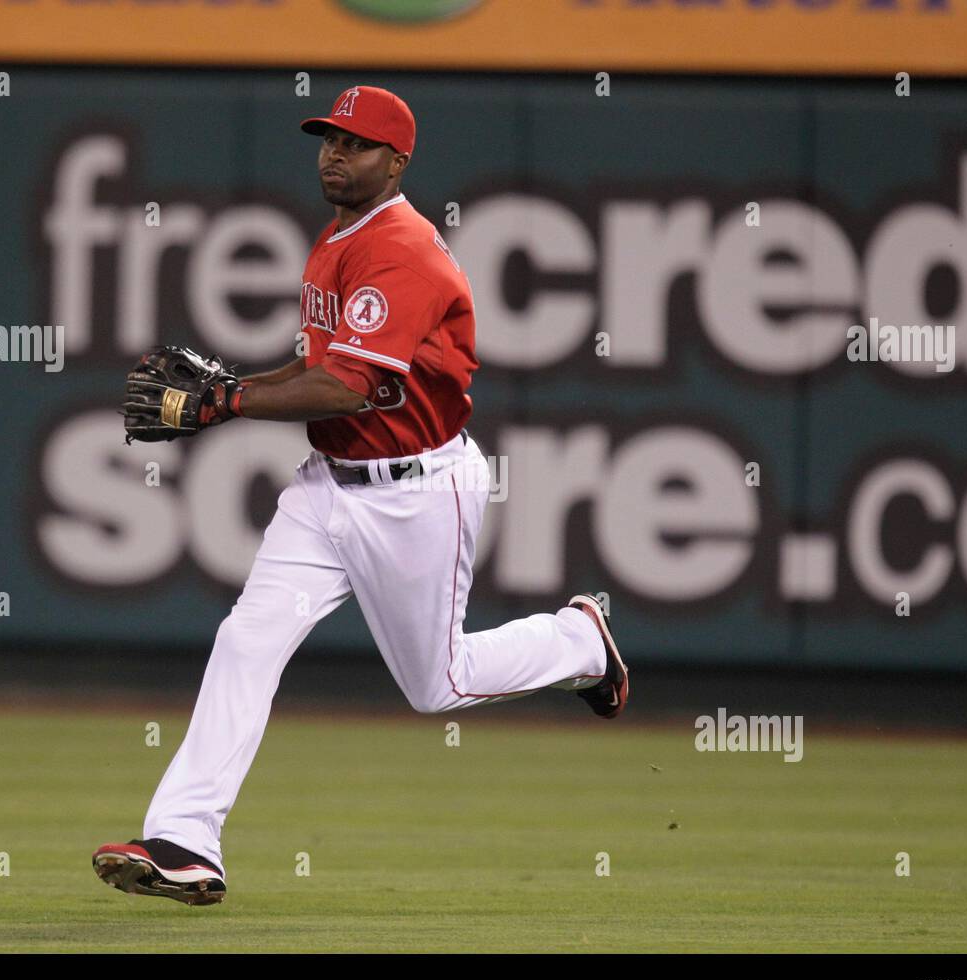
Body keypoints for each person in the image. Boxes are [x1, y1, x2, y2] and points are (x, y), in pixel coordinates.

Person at [93, 86, 629, 905]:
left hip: (416, 490)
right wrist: (233, 387)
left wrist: (225, 403)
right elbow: (316, 368)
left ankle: (580, 642)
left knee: (436, 685)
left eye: (356, 145)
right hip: (325, 489)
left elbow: (345, 388)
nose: (335, 155)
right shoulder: (340, 235)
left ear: (397, 161)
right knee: (248, 639)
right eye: (328, 139)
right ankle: (186, 839)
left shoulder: (402, 249)